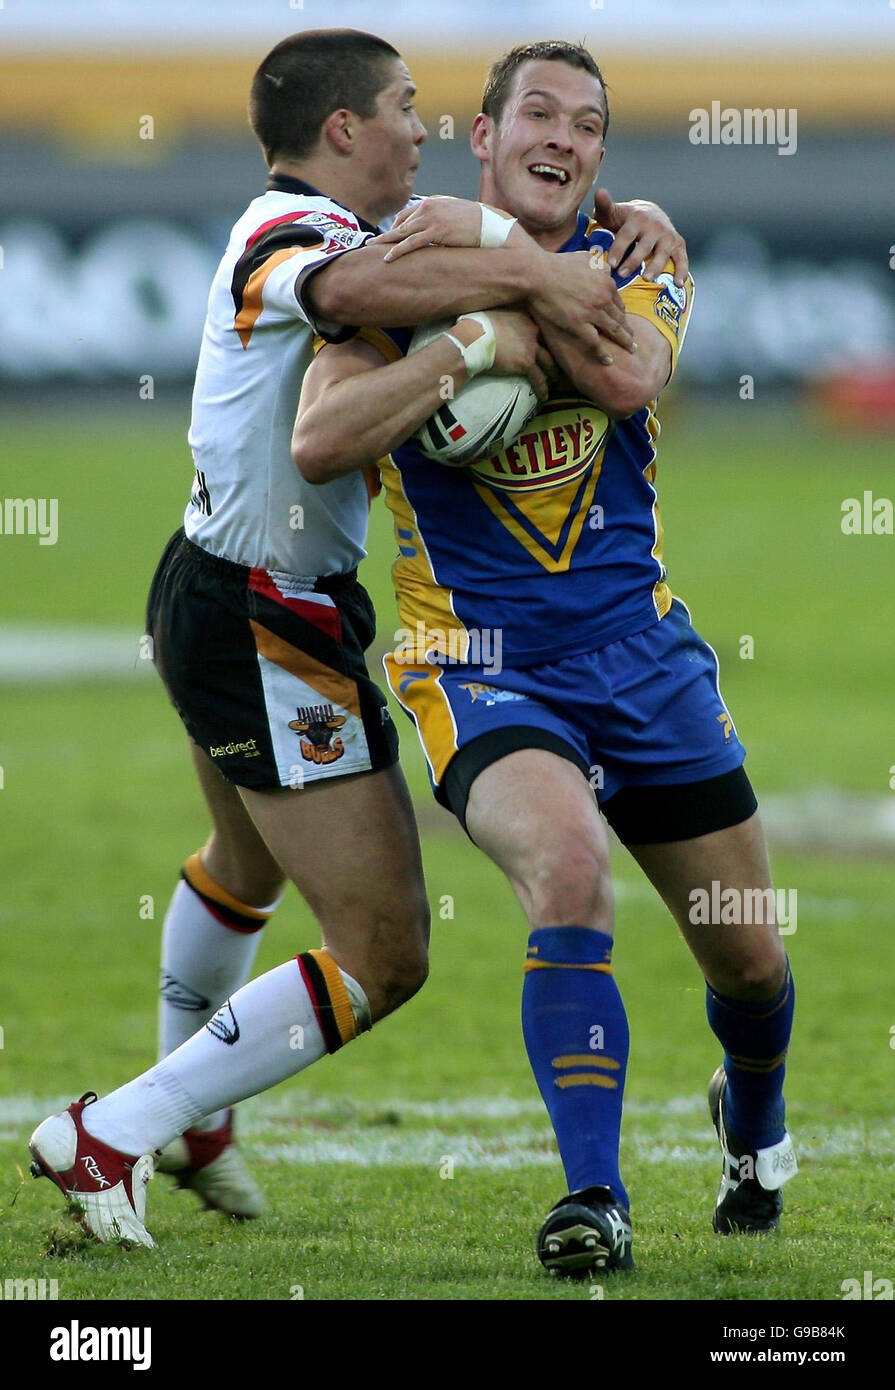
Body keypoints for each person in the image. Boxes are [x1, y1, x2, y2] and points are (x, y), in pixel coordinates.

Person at [28, 28, 683, 1249]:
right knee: (385, 947)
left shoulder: (350, 225)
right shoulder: (290, 235)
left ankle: (189, 1123)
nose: (423, 128)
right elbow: (360, 303)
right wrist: (506, 317)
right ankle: (113, 1129)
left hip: (227, 589)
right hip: (264, 612)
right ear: (344, 131)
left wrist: (623, 213)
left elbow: (444, 235)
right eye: (405, 107)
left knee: (244, 866)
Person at [291, 39, 797, 1277]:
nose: (560, 138)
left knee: (749, 952)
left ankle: (754, 1119)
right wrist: (461, 342)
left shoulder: (638, 261)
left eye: (586, 123)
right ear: (485, 136)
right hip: (477, 662)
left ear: (601, 156)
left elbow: (631, 373)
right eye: (537, 115)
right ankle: (594, 1195)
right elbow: (319, 430)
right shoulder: (398, 269)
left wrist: (509, 299)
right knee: (569, 872)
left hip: (643, 656)